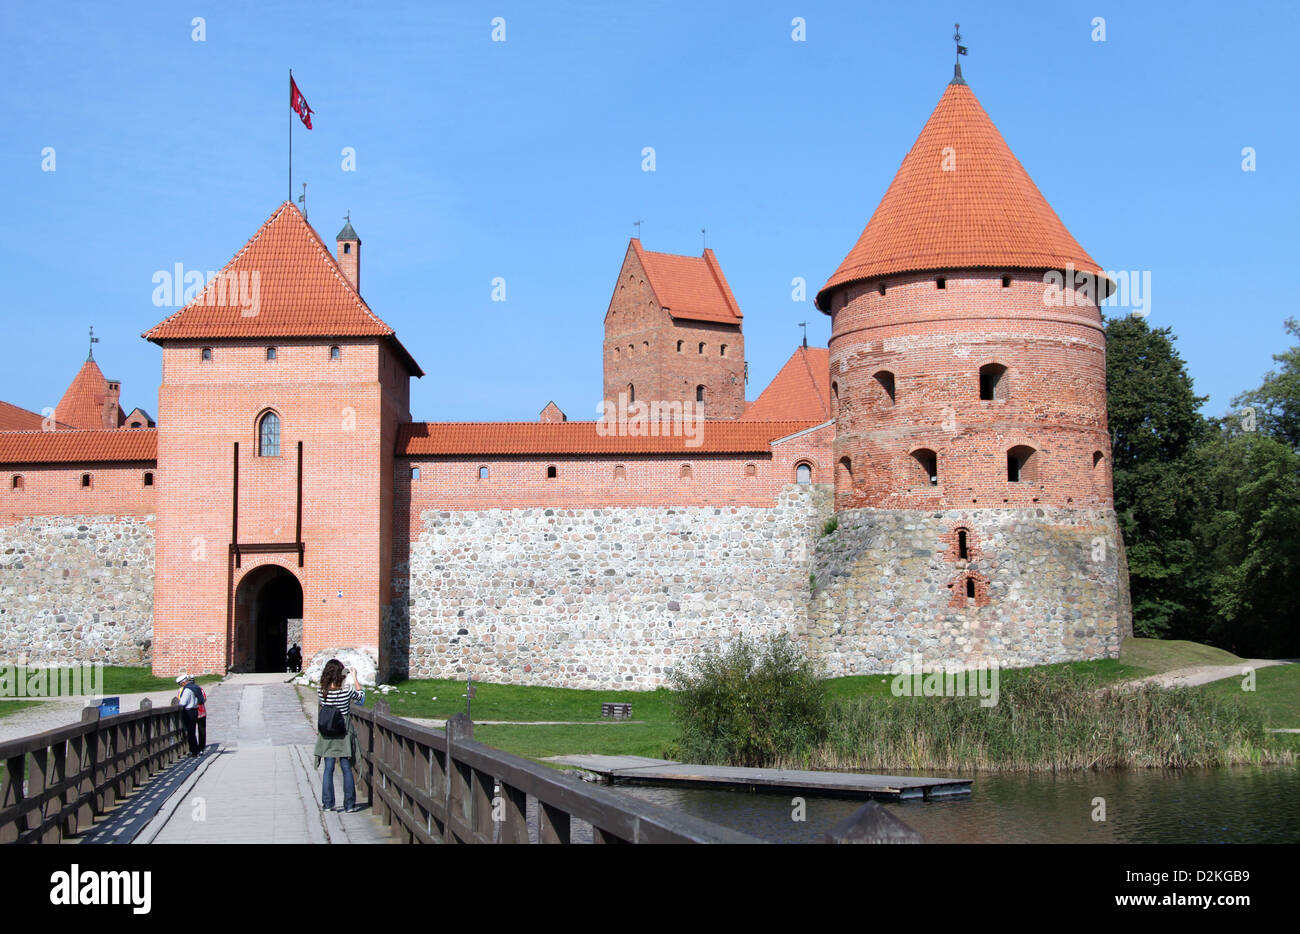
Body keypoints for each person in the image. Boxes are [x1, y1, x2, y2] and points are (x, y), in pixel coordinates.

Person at [313, 658, 364, 813]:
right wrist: (354, 678)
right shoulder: (346, 690)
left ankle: (328, 804)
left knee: (328, 768)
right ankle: (349, 805)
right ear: (340, 674)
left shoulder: (321, 691)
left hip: (328, 733)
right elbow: (361, 699)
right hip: (343, 731)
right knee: (346, 767)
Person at [176, 673, 202, 756]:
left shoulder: (187, 690)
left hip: (188, 711)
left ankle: (194, 750)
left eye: (180, 684)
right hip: (195, 710)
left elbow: (183, 702)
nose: (181, 685)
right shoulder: (195, 687)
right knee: (193, 731)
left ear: (183, 682)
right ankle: (196, 749)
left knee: (190, 732)